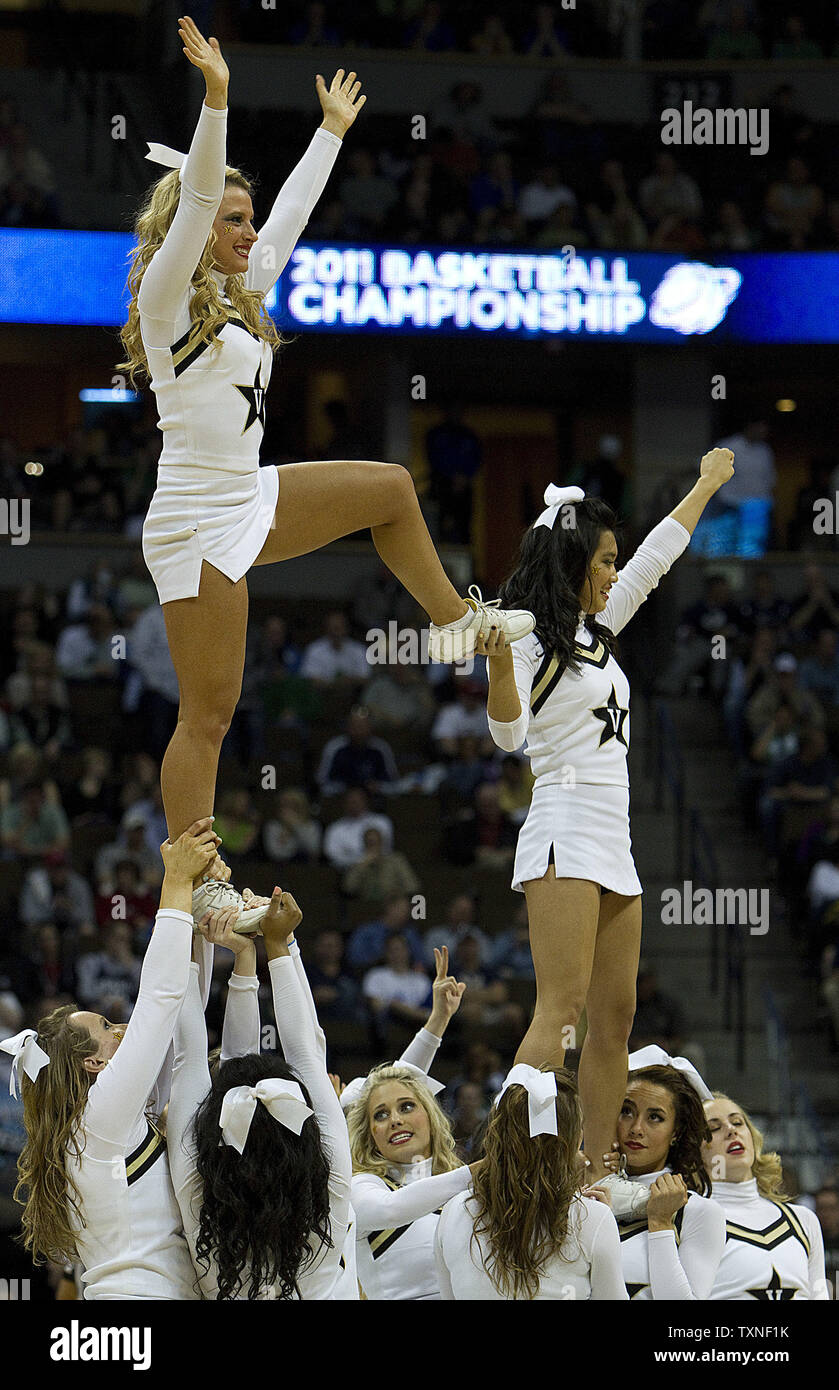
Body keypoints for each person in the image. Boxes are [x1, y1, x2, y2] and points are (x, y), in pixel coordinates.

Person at [117, 17, 534, 929]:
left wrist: (330, 136)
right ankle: (199, 873)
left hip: (250, 495)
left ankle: (459, 627)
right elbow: (194, 201)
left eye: (244, 218)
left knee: (389, 487)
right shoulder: (163, 300)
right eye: (232, 218)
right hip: (193, 519)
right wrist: (217, 103)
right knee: (211, 711)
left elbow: (293, 217)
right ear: (192, 226)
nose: (246, 230)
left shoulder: (242, 292)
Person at [484, 447, 735, 1185]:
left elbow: (656, 559)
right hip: (561, 824)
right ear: (569, 565)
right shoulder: (527, 638)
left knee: (613, 1021)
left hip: (613, 838)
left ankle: (591, 1172)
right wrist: (498, 657)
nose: (613, 572)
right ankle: (505, 1166)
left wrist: (704, 485)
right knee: (559, 1009)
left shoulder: (596, 629)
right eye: (602, 561)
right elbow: (507, 735)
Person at [1, 819, 218, 1298]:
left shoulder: (113, 1119)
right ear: (91, 1064)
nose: (121, 1028)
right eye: (106, 1028)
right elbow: (159, 1001)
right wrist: (175, 884)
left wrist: (200, 922)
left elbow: (184, 1031)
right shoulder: (98, 1122)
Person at [165, 888, 355, 1299]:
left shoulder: (201, 1196)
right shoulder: (333, 1185)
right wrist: (277, 942)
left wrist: (195, 925)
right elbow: (306, 1053)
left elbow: (192, 1060)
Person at [434, 1065, 627, 1299]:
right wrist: (597, 1223)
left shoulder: (455, 1209)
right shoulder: (592, 1218)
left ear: (497, 1135)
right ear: (573, 1141)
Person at [345, 1060, 478, 1300]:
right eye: (381, 1115)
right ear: (370, 1133)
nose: (395, 1120)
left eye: (406, 1107)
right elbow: (391, 1209)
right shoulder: (362, 1187)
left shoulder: (462, 1189)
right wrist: (481, 1172)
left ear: (429, 1115)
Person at [600, 1052, 727, 1299]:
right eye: (626, 1111)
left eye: (655, 1118)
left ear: (676, 1131)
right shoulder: (586, 1187)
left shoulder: (699, 1212)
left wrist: (660, 1224)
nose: (636, 1129)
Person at [702, 1092, 828, 1299]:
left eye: (737, 1122)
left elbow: (819, 1293)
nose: (731, 1130)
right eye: (714, 1128)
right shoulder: (689, 1219)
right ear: (692, 1152)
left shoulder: (803, 1220)